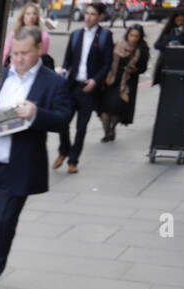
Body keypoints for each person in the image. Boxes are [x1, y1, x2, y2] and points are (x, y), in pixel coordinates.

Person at [0, 27, 73, 289]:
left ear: (39, 51)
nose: (17, 59)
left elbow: (62, 118)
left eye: (24, 54)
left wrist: (36, 114)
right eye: (14, 53)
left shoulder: (52, 82)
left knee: (1, 227)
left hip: (16, 169)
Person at [55, 2, 113, 174]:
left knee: (81, 126)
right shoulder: (75, 35)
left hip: (89, 89)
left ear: (100, 16)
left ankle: (73, 160)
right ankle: (64, 150)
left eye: (93, 14)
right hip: (72, 86)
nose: (88, 17)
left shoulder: (104, 36)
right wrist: (63, 71)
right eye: (87, 13)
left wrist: (95, 80)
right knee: (62, 121)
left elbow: (107, 63)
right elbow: (67, 60)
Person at [98, 22, 150, 140]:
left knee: (117, 108)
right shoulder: (118, 45)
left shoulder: (141, 50)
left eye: (136, 36)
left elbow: (143, 68)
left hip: (126, 82)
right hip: (111, 80)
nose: (133, 38)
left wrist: (135, 69)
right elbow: (107, 60)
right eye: (131, 35)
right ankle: (107, 133)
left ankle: (112, 128)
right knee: (104, 109)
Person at [152, 9, 184, 86]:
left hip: (181, 64)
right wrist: (168, 45)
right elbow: (157, 45)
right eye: (178, 20)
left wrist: (181, 46)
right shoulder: (169, 29)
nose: (180, 22)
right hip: (166, 63)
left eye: (182, 20)